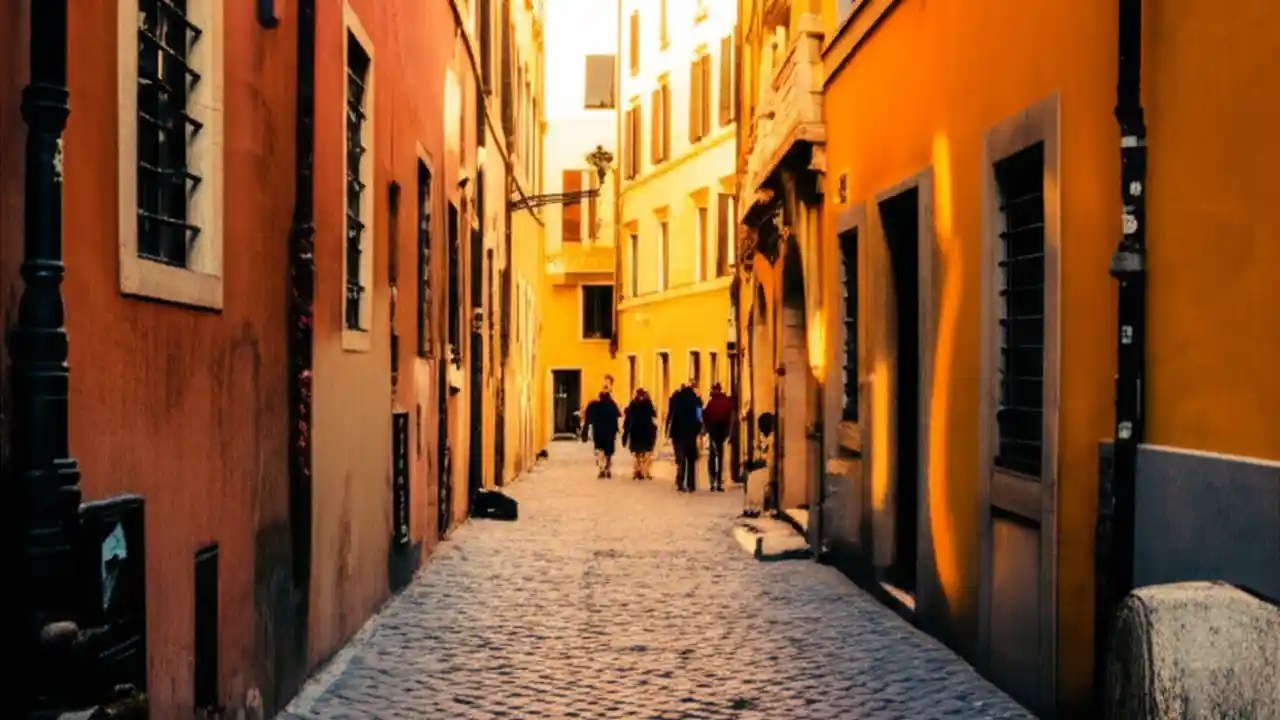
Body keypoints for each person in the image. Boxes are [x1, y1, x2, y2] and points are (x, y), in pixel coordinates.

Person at [667, 380, 704, 492]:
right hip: (690, 434)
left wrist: (669, 431)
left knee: (681, 459)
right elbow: (699, 417)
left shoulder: (676, 400)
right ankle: (691, 484)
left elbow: (671, 416)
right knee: (691, 459)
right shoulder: (695, 401)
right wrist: (698, 430)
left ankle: (680, 481)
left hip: (678, 433)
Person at [581, 390, 622, 478]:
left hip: (598, 432)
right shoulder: (612, 405)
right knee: (609, 452)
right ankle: (607, 468)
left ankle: (601, 469)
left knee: (599, 451)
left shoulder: (594, 405)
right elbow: (619, 415)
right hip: (610, 433)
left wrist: (585, 431)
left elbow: (588, 418)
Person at [702, 382, 734, 491]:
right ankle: (719, 482)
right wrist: (728, 432)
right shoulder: (725, 402)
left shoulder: (711, 403)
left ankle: (713, 481)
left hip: (713, 433)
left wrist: (706, 429)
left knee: (712, 458)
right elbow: (730, 417)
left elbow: (705, 416)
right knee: (719, 458)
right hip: (721, 433)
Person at [621, 388, 658, 480]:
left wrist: (625, 434)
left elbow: (628, 420)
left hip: (636, 432)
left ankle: (638, 470)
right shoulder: (648, 404)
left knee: (638, 453)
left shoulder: (633, 404)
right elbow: (654, 415)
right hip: (646, 432)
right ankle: (643, 470)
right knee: (645, 452)